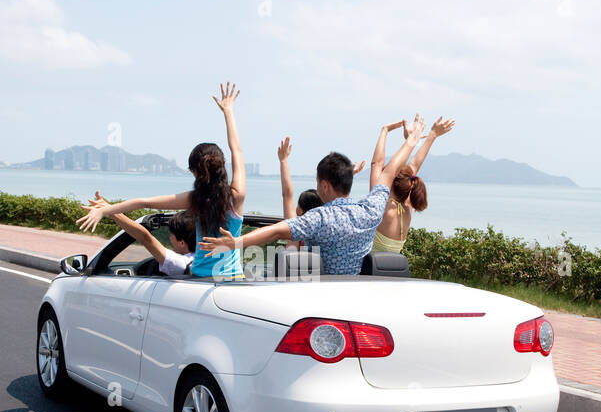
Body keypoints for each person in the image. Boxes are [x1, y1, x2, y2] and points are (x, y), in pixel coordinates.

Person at [200, 115, 427, 275]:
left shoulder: (320, 218)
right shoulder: (370, 210)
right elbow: (387, 174)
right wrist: (411, 141)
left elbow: (278, 229)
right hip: (358, 293)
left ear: (325, 185)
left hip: (319, 296)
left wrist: (237, 242)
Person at [78, 82, 247, 279]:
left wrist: (105, 210)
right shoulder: (237, 196)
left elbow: (144, 202)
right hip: (233, 280)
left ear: (194, 172)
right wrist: (228, 111)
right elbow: (237, 149)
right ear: (222, 166)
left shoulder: (194, 199)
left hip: (199, 279)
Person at [370, 116, 453, 255]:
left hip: (369, 272)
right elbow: (413, 166)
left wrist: (385, 131)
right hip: (393, 274)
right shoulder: (407, 208)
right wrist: (432, 135)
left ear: (389, 181)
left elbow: (376, 163)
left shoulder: (381, 206)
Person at [89, 200, 196, 276]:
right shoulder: (206, 260)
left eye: (171, 235)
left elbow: (145, 237)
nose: (170, 237)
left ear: (182, 243)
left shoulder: (180, 264)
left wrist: (109, 210)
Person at [278, 137, 364, 219]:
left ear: (300, 210)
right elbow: (338, 194)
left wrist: (283, 160)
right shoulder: (330, 220)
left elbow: (287, 195)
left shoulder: (296, 227)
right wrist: (347, 175)